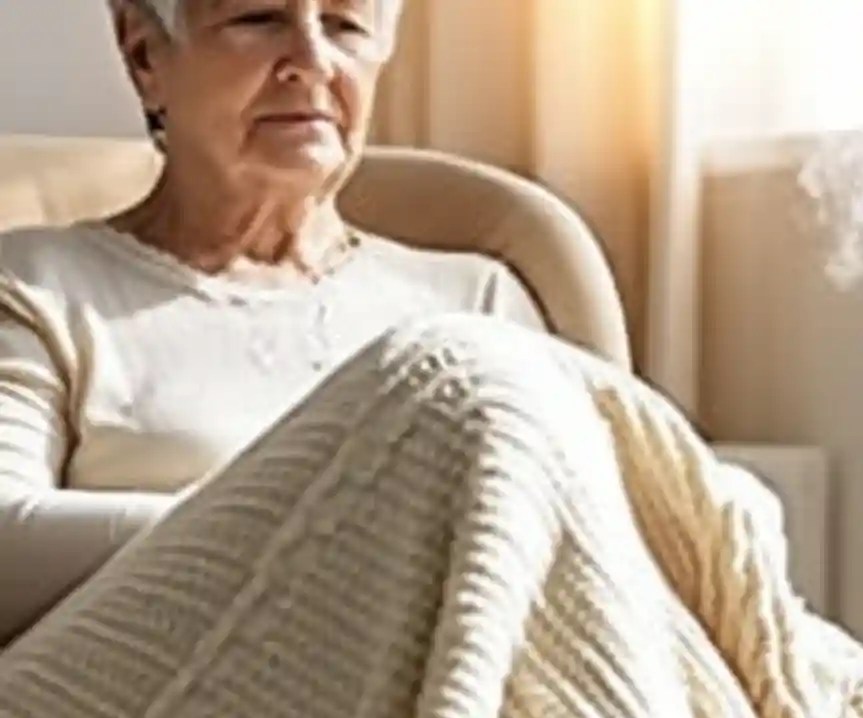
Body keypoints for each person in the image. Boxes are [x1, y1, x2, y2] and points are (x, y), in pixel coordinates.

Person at [0, 0, 544, 644]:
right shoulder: (36, 285)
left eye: (344, 25)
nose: (312, 62)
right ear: (145, 55)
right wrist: (329, 541)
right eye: (258, 18)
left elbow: (565, 545)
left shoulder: (475, 299)